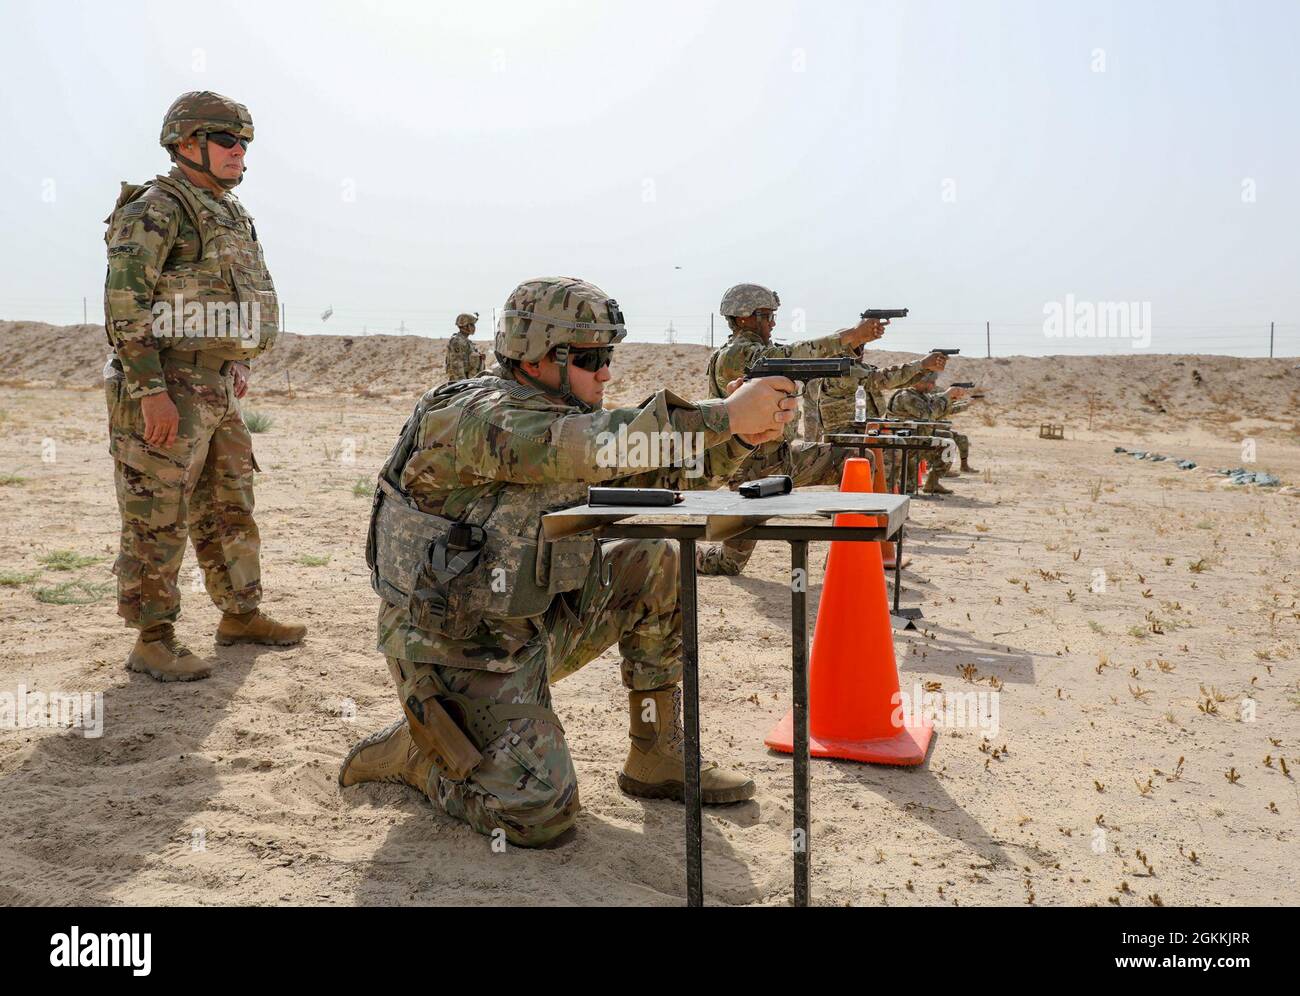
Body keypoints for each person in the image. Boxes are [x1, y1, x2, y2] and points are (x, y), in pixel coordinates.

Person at [338, 276, 798, 847]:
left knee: (653, 560)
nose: (606, 371)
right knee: (538, 816)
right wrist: (720, 415)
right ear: (536, 359)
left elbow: (660, 472)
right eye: (590, 357)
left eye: (608, 355)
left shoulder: (560, 410)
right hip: (456, 650)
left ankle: (655, 754)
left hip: (532, 625)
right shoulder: (477, 416)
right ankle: (415, 754)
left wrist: (744, 436)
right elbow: (585, 445)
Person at [101, 91, 305, 682]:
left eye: (244, 142)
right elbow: (125, 306)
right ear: (187, 144)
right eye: (226, 140)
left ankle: (240, 614)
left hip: (216, 385)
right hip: (168, 385)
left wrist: (235, 358)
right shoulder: (158, 207)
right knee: (155, 512)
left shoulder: (228, 212)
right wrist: (150, 391)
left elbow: (233, 296)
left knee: (228, 506)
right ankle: (153, 637)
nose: (239, 151)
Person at [694, 283, 883, 576]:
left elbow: (797, 358)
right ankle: (692, 557)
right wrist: (850, 336)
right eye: (766, 315)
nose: (772, 322)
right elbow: (792, 354)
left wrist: (853, 345)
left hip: (784, 461)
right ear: (743, 318)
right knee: (727, 564)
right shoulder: (736, 355)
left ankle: (846, 555)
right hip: (751, 472)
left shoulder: (760, 352)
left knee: (856, 460)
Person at [886, 373, 972, 494]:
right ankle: (908, 483)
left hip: (919, 438)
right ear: (917, 382)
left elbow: (937, 411)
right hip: (907, 441)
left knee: (948, 441)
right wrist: (947, 395)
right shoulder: (906, 396)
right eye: (930, 382)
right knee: (908, 488)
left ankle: (933, 482)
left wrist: (951, 397)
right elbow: (929, 414)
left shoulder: (920, 395)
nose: (933, 385)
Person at [445, 312, 485, 381]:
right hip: (462, 384)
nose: (474, 327)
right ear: (465, 326)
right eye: (472, 325)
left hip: (471, 381)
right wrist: (463, 385)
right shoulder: (457, 341)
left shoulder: (467, 342)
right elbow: (457, 367)